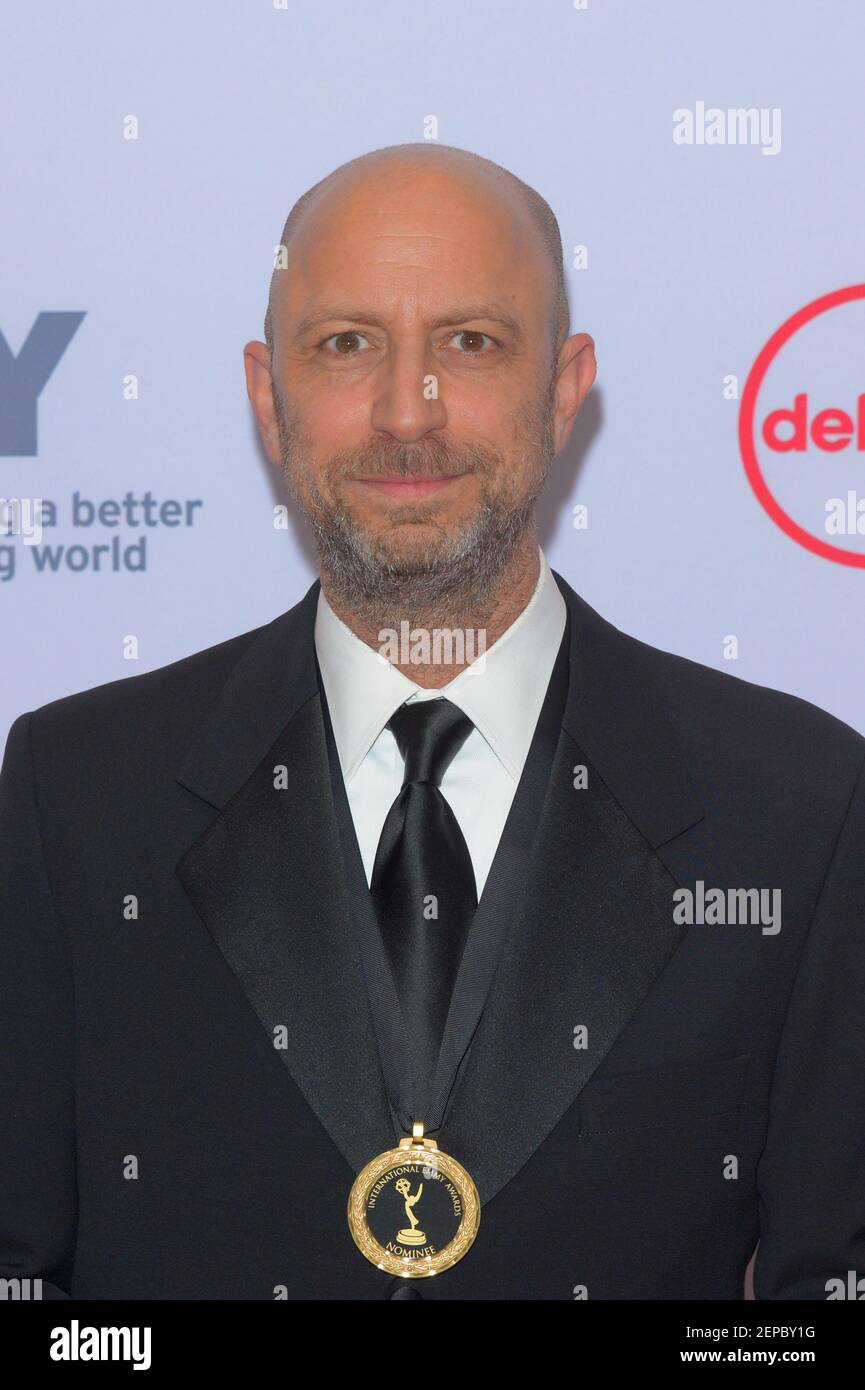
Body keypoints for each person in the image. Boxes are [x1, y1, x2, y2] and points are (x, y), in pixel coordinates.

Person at [1, 143, 863, 1301]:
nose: (409, 411)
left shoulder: (797, 803)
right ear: (268, 395)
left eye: (470, 341)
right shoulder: (75, 793)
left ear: (564, 389)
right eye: (346, 344)